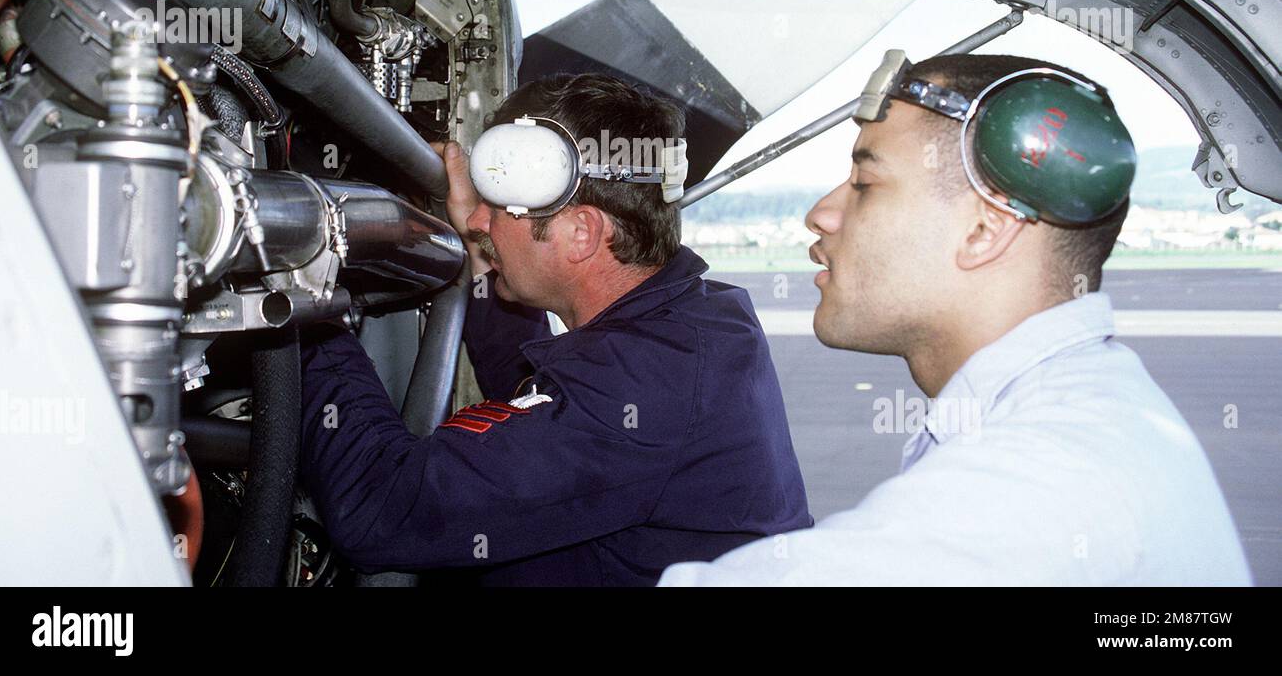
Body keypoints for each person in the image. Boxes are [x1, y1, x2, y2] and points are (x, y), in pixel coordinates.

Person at [660, 52, 1250, 586]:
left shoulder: (1041, 482)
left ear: (984, 230)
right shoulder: (1081, 411)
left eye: (865, 182)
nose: (821, 214)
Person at [298, 73, 811, 585]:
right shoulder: (696, 322)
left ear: (581, 233)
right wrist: (482, 251)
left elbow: (382, 509)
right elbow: (530, 400)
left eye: (497, 208)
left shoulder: (646, 382)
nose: (478, 220)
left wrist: (305, 305)